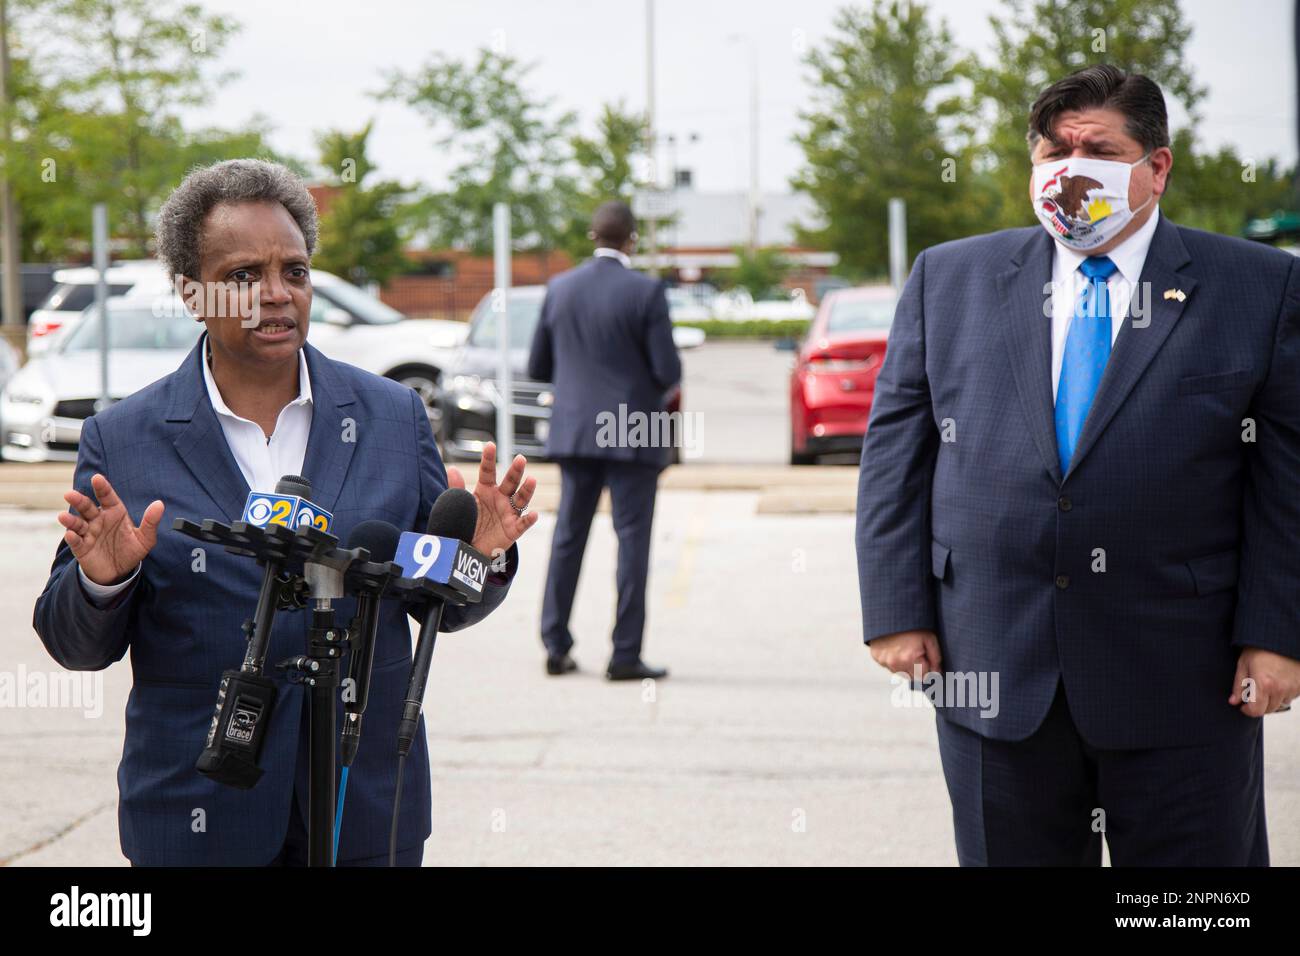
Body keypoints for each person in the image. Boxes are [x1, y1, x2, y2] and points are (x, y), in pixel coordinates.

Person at [31, 159, 540, 866]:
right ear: (190, 292)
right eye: (244, 276)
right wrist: (103, 582)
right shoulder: (124, 439)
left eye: (294, 272)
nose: (276, 295)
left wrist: (477, 554)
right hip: (198, 814)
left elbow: (441, 609)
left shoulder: (392, 416)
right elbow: (75, 645)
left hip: (364, 811)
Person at [856, 65, 1300, 866]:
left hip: (1184, 679)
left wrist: (1279, 635)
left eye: (1096, 149)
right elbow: (894, 452)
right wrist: (896, 608)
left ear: (1156, 167)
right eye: (1052, 151)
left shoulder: (1258, 287)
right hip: (990, 667)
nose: (1069, 169)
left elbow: (1288, 481)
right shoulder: (948, 279)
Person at [527, 201, 681, 681]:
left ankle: (555, 644)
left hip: (575, 432)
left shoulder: (560, 288)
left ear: (593, 237)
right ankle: (625, 654)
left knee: (569, 537)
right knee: (632, 542)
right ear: (631, 240)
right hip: (633, 433)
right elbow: (668, 372)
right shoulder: (647, 291)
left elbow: (538, 368)